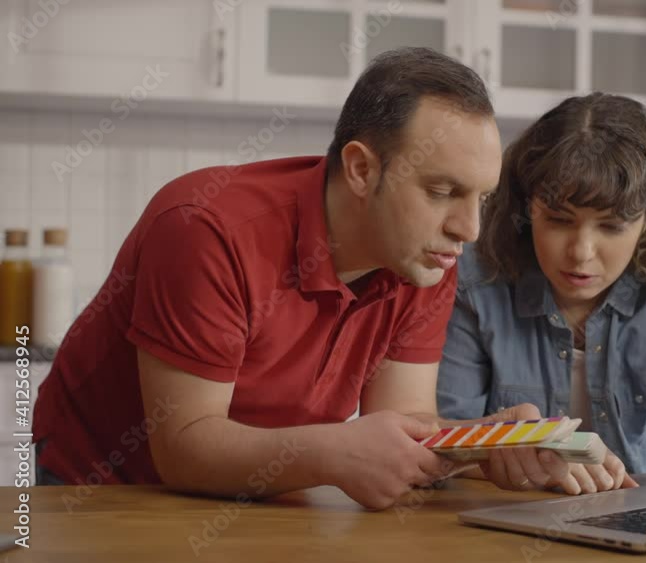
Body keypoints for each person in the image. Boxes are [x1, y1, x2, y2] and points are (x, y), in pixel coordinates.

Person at [31, 47, 531, 510]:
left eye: (482, 199)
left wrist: (496, 445)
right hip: (105, 490)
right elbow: (184, 447)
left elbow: (408, 420)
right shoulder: (207, 229)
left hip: (264, 493)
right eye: (443, 191)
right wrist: (333, 453)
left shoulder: (426, 255)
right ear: (360, 170)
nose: (469, 228)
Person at [436, 93, 646, 494]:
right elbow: (446, 445)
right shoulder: (473, 277)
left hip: (636, 498)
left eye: (611, 226)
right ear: (526, 209)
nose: (581, 253)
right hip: (505, 506)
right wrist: (506, 459)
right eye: (558, 220)